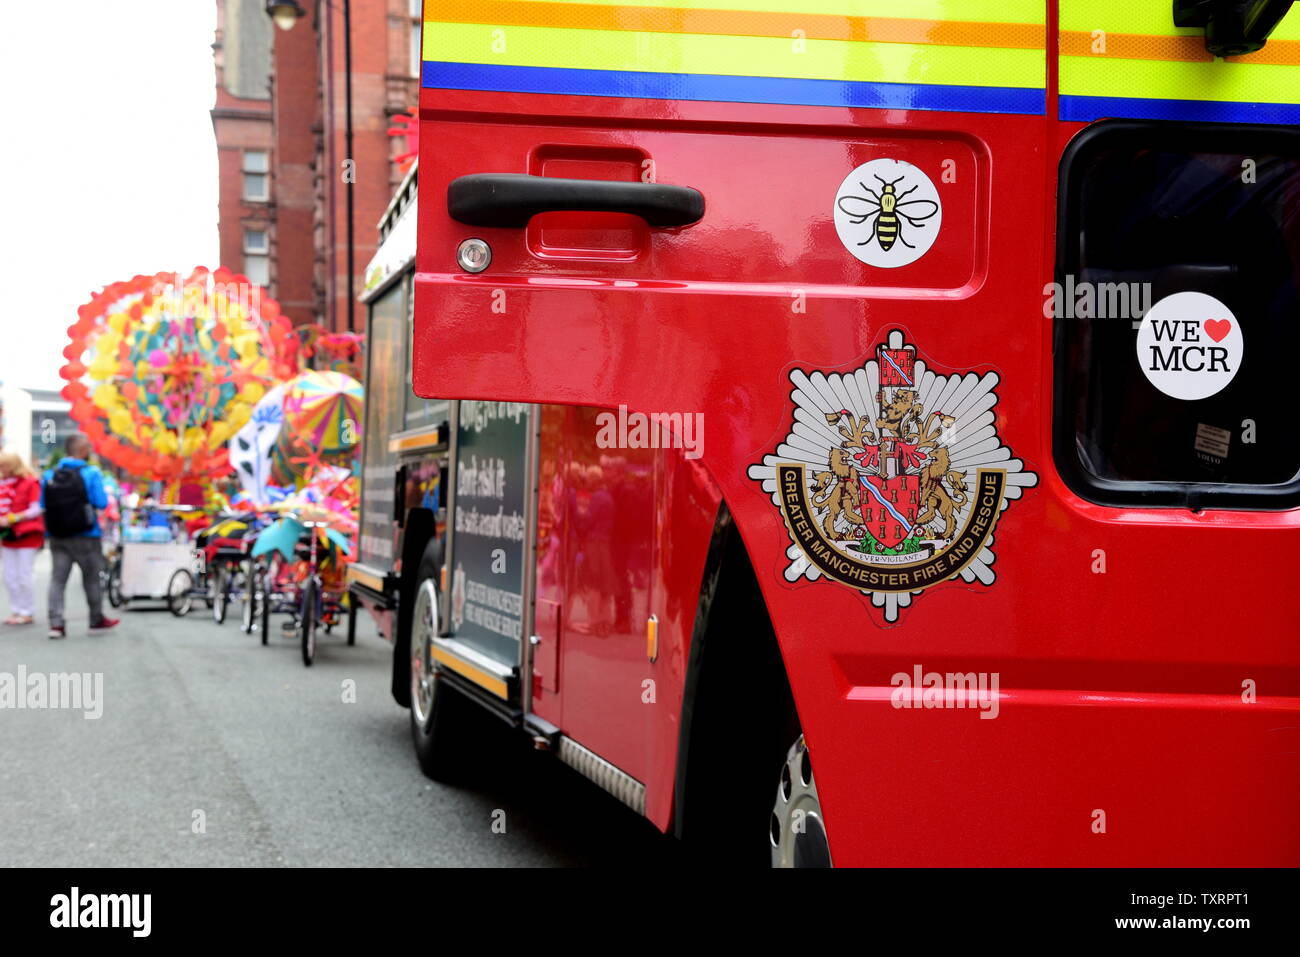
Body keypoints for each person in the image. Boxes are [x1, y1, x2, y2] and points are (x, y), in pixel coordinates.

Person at [41, 435, 119, 639]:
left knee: (57, 579)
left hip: (57, 536)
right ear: (84, 449)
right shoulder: (91, 472)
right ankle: (95, 620)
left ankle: (56, 624)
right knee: (91, 579)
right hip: (87, 534)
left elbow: (43, 505)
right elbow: (101, 503)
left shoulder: (50, 474)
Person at [0, 450, 44, 626]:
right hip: (8, 536)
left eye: (4, 466)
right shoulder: (3, 484)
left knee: (24, 574)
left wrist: (14, 517)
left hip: (27, 535)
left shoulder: (30, 483)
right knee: (9, 575)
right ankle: (16, 609)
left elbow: (37, 508)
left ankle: (27, 611)